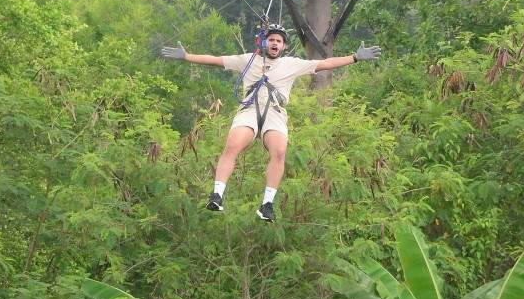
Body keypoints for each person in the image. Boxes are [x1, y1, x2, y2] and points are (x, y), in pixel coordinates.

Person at [161, 25, 381, 222]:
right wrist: (186, 56)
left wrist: (354, 57)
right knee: (232, 145)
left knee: (279, 151)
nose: (275, 43)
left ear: (283, 46)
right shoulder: (248, 60)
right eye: (271, 39)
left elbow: (324, 64)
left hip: (275, 112)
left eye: (279, 41)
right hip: (249, 109)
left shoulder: (291, 64)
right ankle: (217, 194)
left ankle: (267, 204)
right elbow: (216, 60)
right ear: (264, 42)